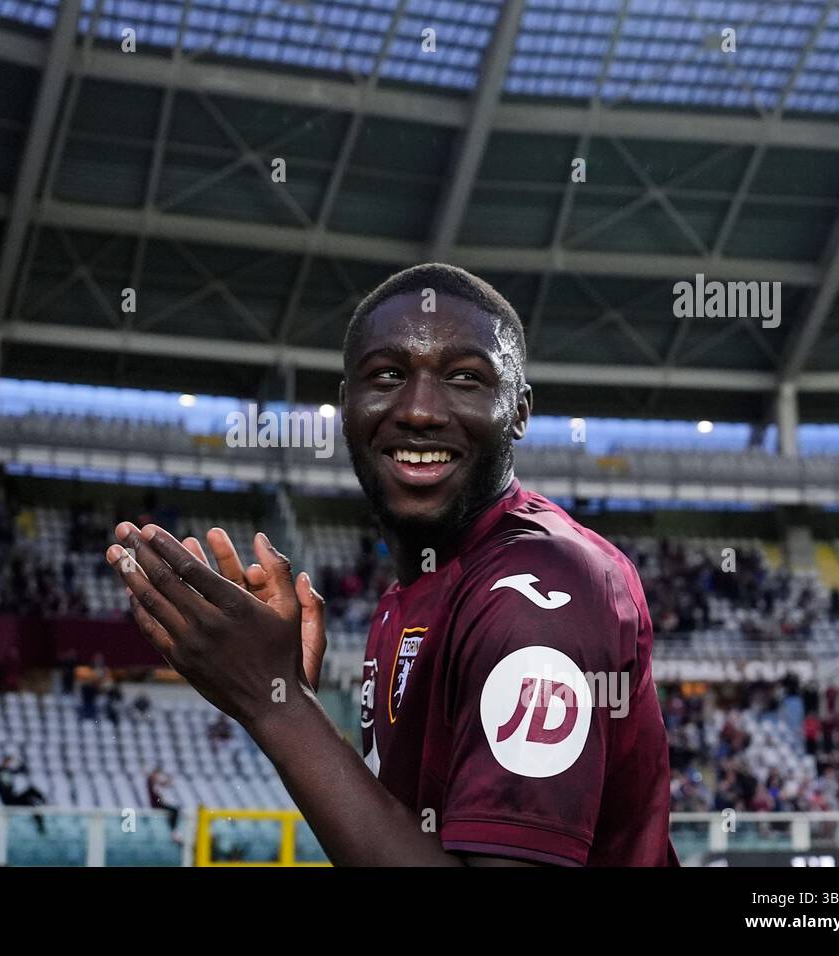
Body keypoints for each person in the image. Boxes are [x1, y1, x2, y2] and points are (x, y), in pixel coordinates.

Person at [105, 263, 678, 866]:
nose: (420, 411)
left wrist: (274, 705)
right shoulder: (406, 600)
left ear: (518, 411)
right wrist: (287, 691)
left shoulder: (541, 593)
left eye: (464, 377)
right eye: (387, 375)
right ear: (347, 405)